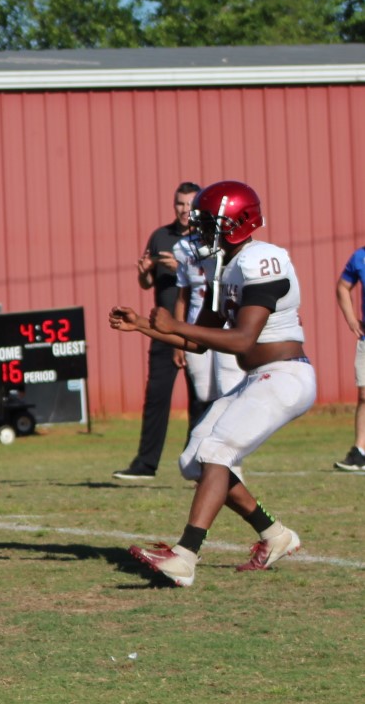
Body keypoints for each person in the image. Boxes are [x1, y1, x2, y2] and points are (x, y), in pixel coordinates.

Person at [109, 180, 312, 586]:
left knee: (217, 451)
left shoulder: (262, 259)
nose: (198, 231)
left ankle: (184, 555)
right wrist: (142, 328)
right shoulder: (224, 266)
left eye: (205, 223)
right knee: (194, 460)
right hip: (258, 377)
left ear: (235, 222)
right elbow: (197, 340)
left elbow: (242, 339)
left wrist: (175, 322)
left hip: (287, 375)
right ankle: (275, 535)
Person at [114, 182, 201, 480]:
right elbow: (147, 285)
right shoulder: (160, 236)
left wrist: (179, 265)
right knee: (156, 396)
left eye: (190, 204)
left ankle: (196, 462)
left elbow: (203, 278)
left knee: (200, 398)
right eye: (180, 203)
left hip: (195, 330)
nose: (185, 209)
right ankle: (145, 464)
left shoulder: (206, 239)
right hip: (161, 328)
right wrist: (144, 272)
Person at [172, 221, 242, 427]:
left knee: (229, 386)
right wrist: (179, 341)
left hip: (227, 323)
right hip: (197, 323)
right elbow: (182, 297)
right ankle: (210, 444)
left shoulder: (231, 245)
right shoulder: (183, 248)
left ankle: (228, 448)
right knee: (203, 393)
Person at [332, 243, 365, 471]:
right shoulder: (360, 257)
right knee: (364, 394)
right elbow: (343, 287)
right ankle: (360, 452)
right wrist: (352, 319)